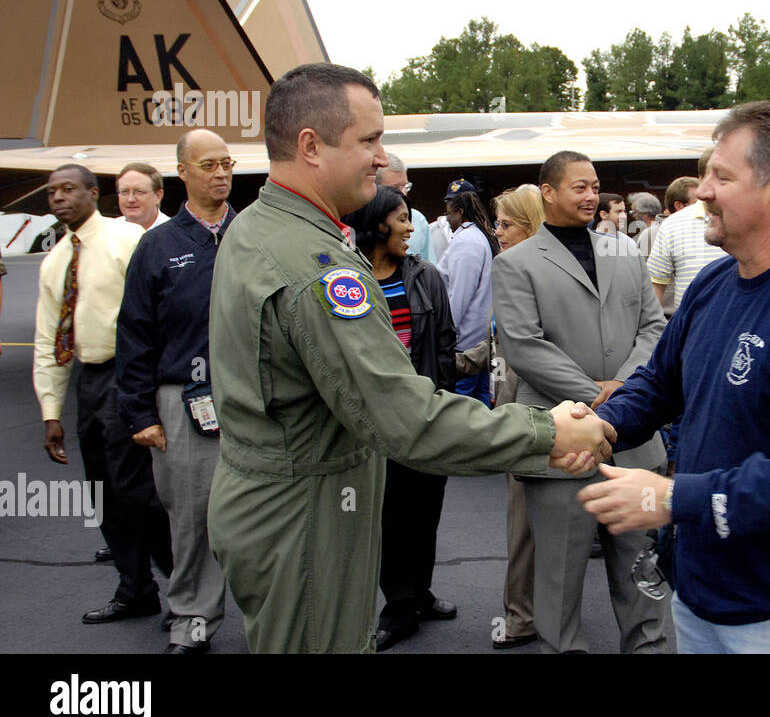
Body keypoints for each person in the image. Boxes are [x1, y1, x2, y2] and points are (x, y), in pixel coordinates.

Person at [205, 63, 614, 654]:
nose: (381, 157)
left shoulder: (258, 230)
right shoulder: (313, 270)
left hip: (282, 507)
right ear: (311, 146)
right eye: (368, 140)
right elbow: (405, 416)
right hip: (306, 522)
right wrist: (546, 430)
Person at [578, 101, 770, 654]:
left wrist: (677, 499)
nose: (702, 191)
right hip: (704, 591)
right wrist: (599, 427)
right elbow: (660, 384)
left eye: (722, 176)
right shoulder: (715, 283)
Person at [491, 151, 671, 655]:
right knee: (560, 580)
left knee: (646, 573)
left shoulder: (625, 253)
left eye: (595, 187)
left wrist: (625, 388)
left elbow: (653, 329)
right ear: (547, 192)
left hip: (634, 442)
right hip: (561, 444)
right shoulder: (514, 264)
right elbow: (524, 346)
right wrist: (598, 394)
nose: (591, 196)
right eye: (579, 187)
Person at [34, 164, 174, 625]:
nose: (59, 197)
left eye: (69, 189)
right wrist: (51, 411)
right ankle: (135, 589)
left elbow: (160, 308)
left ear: (94, 194)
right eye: (53, 191)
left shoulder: (125, 240)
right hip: (89, 381)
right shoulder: (55, 260)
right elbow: (48, 339)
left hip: (130, 373)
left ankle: (189, 581)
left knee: (137, 492)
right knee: (103, 493)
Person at [115, 130, 234, 653]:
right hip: (186, 402)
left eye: (227, 163)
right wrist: (141, 413)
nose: (221, 173)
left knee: (266, 514)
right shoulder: (158, 246)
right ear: (182, 172)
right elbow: (135, 335)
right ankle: (192, 620)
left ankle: (277, 619)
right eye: (208, 164)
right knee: (192, 519)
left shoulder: (253, 233)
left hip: (260, 401)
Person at [340, 185, 460, 651]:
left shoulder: (425, 275)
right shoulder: (343, 278)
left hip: (425, 414)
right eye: (402, 217)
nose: (411, 226)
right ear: (376, 222)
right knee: (389, 514)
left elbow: (444, 342)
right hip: (374, 421)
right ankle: (398, 606)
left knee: (425, 510)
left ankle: (420, 592)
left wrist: (441, 405)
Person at [490, 184, 546, 649]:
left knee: (526, 522)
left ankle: (523, 616)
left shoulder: (526, 273)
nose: (498, 232)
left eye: (506, 224)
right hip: (528, 407)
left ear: (531, 227)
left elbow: (529, 350)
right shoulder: (520, 270)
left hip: (535, 414)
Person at [438, 180, 498, 405]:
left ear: (460, 212)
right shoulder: (478, 236)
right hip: (478, 339)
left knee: (460, 405)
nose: (447, 219)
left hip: (464, 344)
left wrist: (445, 334)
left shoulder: (466, 241)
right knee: (481, 402)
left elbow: (459, 295)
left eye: (449, 213)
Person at [646, 151, 726, 317]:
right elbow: (655, 286)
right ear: (701, 179)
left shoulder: (755, 221)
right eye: (713, 176)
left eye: (725, 178)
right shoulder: (673, 224)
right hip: (689, 334)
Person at [377, 152, 432, 261]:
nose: (403, 193)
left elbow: (428, 266)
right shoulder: (359, 220)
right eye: (395, 187)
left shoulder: (418, 220)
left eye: (405, 186)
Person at [116, 162, 170, 231]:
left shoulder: (175, 234)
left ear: (158, 196)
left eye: (139, 192)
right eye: (125, 192)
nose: (130, 199)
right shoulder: (108, 231)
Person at [629, 191, 663, 257]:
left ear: (645, 213)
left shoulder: (649, 234)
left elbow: (643, 264)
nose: (633, 216)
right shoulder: (665, 227)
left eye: (634, 212)